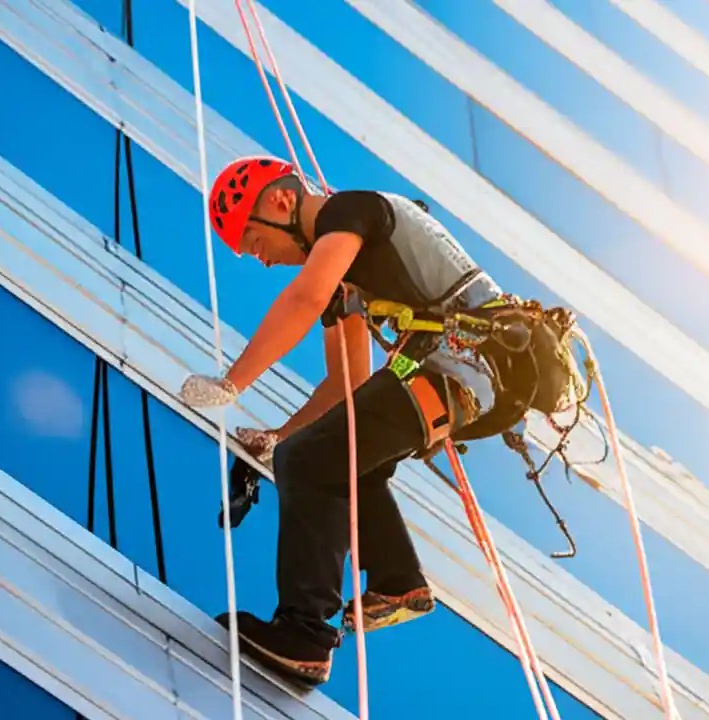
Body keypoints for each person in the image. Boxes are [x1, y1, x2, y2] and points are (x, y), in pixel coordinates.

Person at [178, 155, 579, 686]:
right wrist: (278, 438)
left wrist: (234, 382)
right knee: (338, 456)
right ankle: (397, 579)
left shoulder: (352, 211)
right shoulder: (344, 277)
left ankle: (305, 634)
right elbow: (347, 382)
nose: (264, 261)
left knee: (311, 460)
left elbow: (303, 299)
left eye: (255, 243)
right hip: (459, 376)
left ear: (278, 201)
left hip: (459, 363)